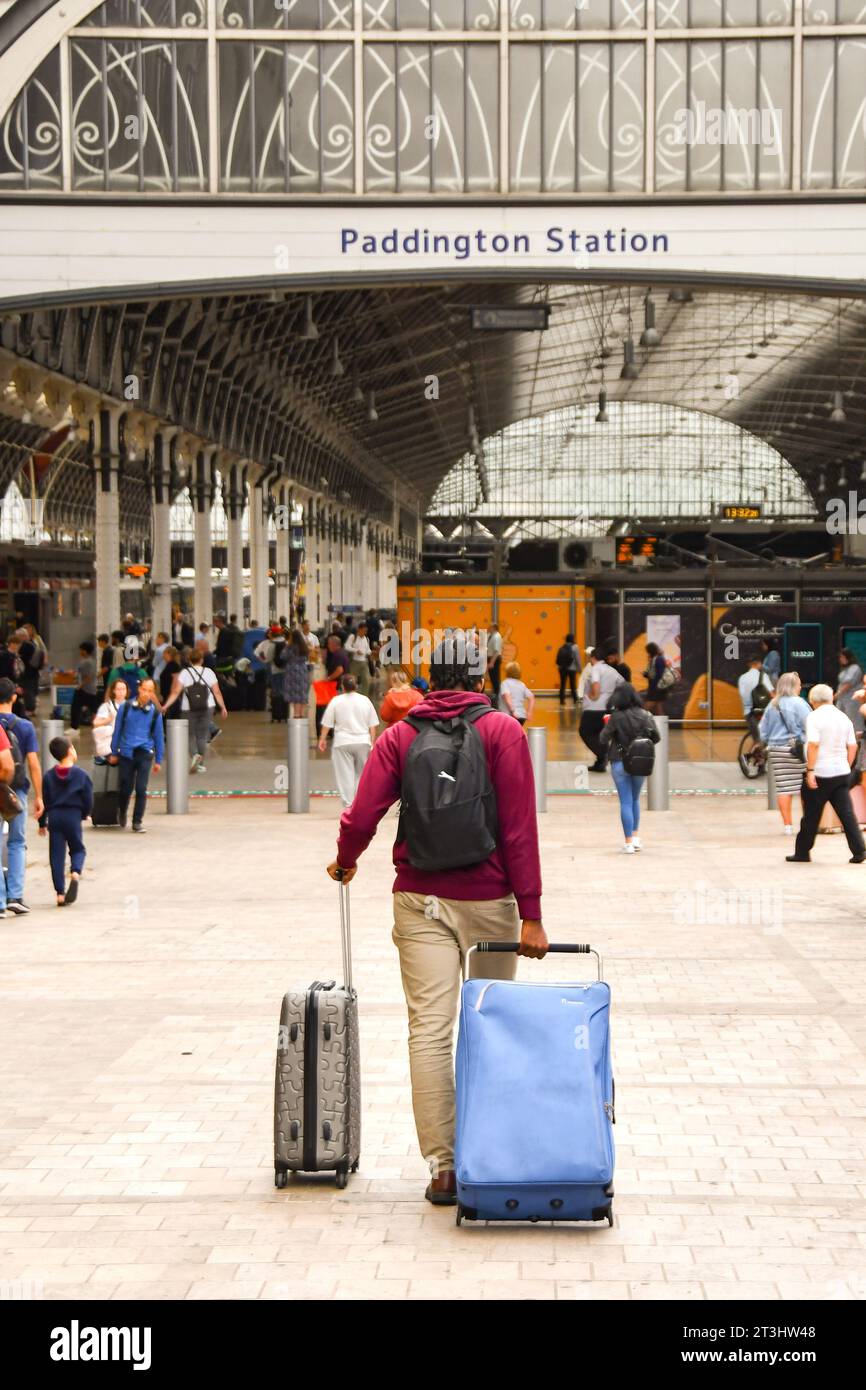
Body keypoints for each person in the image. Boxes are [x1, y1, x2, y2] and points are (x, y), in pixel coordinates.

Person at [325, 633, 546, 1206]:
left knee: (429, 1032)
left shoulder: (401, 736)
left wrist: (345, 862)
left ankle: (444, 1168)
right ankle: (490, 1156)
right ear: (481, 678)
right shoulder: (503, 731)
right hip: (491, 902)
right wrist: (533, 916)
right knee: (491, 1024)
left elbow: (362, 815)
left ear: (429, 678)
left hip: (420, 898)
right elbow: (520, 829)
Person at [786, 684, 865, 864]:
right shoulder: (843, 717)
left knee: (811, 816)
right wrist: (847, 765)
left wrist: (811, 771)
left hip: (820, 772)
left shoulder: (814, 717)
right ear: (831, 698)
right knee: (847, 814)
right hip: (841, 773)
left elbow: (813, 744)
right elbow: (852, 745)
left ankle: (802, 852)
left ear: (813, 701)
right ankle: (859, 851)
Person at [599, 683, 660, 853]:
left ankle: (628, 843)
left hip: (619, 762)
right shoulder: (645, 715)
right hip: (639, 762)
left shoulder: (616, 717)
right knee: (634, 800)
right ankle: (635, 837)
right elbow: (656, 737)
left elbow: (603, 739)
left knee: (625, 801)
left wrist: (608, 724)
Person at [0, 676, 43, 916]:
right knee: (17, 842)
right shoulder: (25, 726)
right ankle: (15, 896)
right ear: (14, 697)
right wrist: (39, 796)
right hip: (17, 790)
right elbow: (34, 764)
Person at [38, 737, 93, 906]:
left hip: (55, 817)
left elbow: (44, 801)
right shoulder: (81, 775)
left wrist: (42, 823)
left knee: (56, 855)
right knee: (77, 849)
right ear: (70, 751)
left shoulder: (48, 776)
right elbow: (88, 798)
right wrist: (86, 813)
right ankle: (75, 873)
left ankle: (60, 893)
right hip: (73, 815)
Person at [759, 671, 812, 836]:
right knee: (805, 787)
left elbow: (763, 732)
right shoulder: (800, 703)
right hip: (797, 750)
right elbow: (810, 724)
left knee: (784, 788)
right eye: (799, 684)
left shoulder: (772, 704)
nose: (801, 686)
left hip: (777, 750)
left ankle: (787, 826)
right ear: (794, 686)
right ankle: (807, 823)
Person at [109, 676, 164, 832]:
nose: (146, 693)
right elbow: (117, 730)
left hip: (145, 752)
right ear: (139, 689)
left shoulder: (155, 713)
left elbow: (159, 737)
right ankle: (122, 811)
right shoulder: (126, 707)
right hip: (126, 752)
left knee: (141, 788)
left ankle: (137, 821)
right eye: (144, 689)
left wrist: (159, 759)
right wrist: (114, 751)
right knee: (126, 786)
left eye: (150, 691)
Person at [161, 647, 227, 774]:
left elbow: (175, 692)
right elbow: (217, 692)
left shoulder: (184, 673)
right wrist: (223, 707)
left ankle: (195, 755)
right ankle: (200, 764)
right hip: (207, 706)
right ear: (202, 660)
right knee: (202, 736)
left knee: (190, 735)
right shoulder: (209, 672)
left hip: (188, 708)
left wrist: (166, 705)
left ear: (189, 660)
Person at [318, 674, 379, 807]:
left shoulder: (336, 701)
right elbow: (372, 724)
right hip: (363, 741)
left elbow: (327, 723)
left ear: (342, 687)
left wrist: (322, 739)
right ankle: (360, 801)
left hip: (342, 742)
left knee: (344, 774)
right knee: (362, 773)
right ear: (356, 686)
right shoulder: (365, 700)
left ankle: (349, 803)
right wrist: (372, 741)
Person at [580, 648, 623, 772]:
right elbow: (623, 684)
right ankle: (600, 763)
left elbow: (596, 684)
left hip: (593, 708)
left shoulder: (595, 669)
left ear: (593, 658)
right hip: (608, 708)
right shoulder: (612, 671)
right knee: (600, 734)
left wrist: (594, 695)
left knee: (585, 732)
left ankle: (603, 754)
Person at [91, 676, 129, 761]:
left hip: (126, 743)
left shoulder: (131, 706)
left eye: (123, 689)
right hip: (110, 744)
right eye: (118, 689)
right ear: (113, 691)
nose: (121, 692)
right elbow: (95, 723)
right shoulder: (107, 706)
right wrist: (108, 719)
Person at [738, 656, 774, 741]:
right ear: (759, 664)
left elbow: (742, 695)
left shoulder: (742, 678)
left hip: (748, 713)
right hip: (762, 712)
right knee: (764, 740)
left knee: (756, 740)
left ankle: (753, 752)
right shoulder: (762, 676)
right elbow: (772, 694)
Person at [279, 629, 311, 719]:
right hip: (303, 671)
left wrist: (287, 645)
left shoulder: (290, 647)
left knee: (295, 694)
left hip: (292, 671)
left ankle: (296, 715)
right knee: (302, 693)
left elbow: (282, 656)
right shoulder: (304, 647)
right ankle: (301, 714)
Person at [70, 641, 100, 729]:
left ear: (85, 651)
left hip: (86, 689)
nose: (80, 652)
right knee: (92, 707)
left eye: (81, 650)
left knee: (75, 707)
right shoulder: (91, 661)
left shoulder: (86, 662)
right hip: (91, 689)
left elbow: (88, 677)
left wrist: (80, 686)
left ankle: (74, 726)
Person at [836, 647, 864, 733]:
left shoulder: (855, 668)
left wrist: (837, 694)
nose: (840, 659)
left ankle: (857, 743)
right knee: (840, 721)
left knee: (853, 721)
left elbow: (848, 684)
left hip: (851, 700)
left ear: (848, 657)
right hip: (842, 700)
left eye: (842, 657)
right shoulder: (845, 669)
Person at [500, 660, 535, 727]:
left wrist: (513, 711)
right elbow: (532, 697)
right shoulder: (522, 684)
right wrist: (529, 712)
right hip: (521, 716)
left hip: (509, 715)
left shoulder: (505, 683)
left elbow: (507, 697)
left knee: (507, 735)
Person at [17, 625, 43, 714]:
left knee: (28, 691)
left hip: (28, 673)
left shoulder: (25, 646)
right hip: (34, 672)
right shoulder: (33, 644)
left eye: (18, 637)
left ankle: (30, 709)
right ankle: (31, 708)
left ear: (22, 636)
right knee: (31, 690)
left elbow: (20, 657)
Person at [643, 642, 672, 716]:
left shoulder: (658, 659)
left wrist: (650, 677)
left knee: (646, 708)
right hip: (656, 688)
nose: (647, 653)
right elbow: (653, 673)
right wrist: (646, 674)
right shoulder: (655, 659)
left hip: (656, 688)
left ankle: (637, 724)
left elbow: (659, 674)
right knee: (658, 709)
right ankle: (662, 726)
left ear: (650, 651)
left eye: (648, 651)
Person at [344, 621, 372, 696]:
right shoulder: (353, 637)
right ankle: (351, 695)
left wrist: (370, 652)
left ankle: (364, 696)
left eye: (366, 631)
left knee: (366, 680)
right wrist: (356, 650)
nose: (365, 632)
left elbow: (367, 649)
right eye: (364, 630)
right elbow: (346, 646)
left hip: (364, 662)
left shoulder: (366, 639)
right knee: (352, 680)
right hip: (354, 662)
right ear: (359, 629)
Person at [555, 633, 581, 705]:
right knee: (573, 684)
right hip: (572, 668)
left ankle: (562, 700)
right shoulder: (575, 647)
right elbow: (577, 658)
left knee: (563, 684)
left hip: (562, 668)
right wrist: (579, 668)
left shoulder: (562, 647)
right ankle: (575, 699)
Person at [158, 647, 182, 712]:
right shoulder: (169, 665)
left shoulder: (174, 665)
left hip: (170, 695)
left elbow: (175, 681)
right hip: (166, 694)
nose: (163, 655)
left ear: (169, 654)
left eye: (164, 653)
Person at [486, 622, 503, 705]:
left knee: (495, 678)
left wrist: (492, 662)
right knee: (493, 678)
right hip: (490, 658)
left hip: (494, 659)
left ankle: (497, 696)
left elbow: (496, 651)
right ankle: (495, 695)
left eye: (491, 627)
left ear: (494, 628)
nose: (489, 628)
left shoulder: (497, 636)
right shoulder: (491, 635)